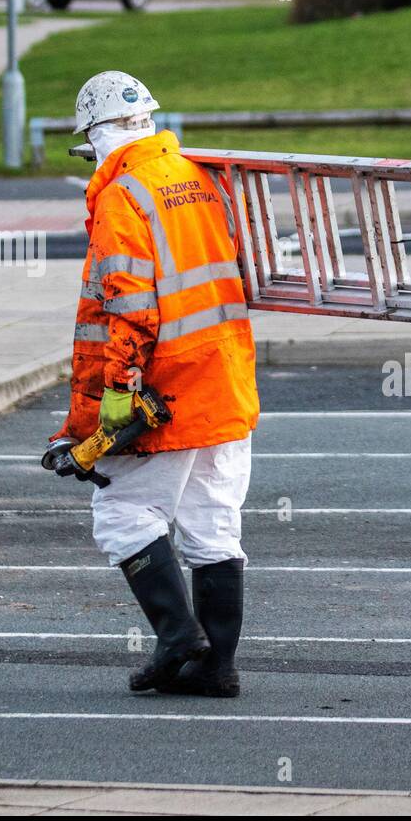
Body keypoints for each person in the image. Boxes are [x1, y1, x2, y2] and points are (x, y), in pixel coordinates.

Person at [51, 71, 258, 697]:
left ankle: (177, 639)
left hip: (165, 391)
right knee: (213, 524)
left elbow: (132, 310)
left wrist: (112, 402)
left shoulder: (123, 196)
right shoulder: (195, 176)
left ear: (97, 135)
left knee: (121, 513)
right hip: (223, 380)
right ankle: (216, 668)